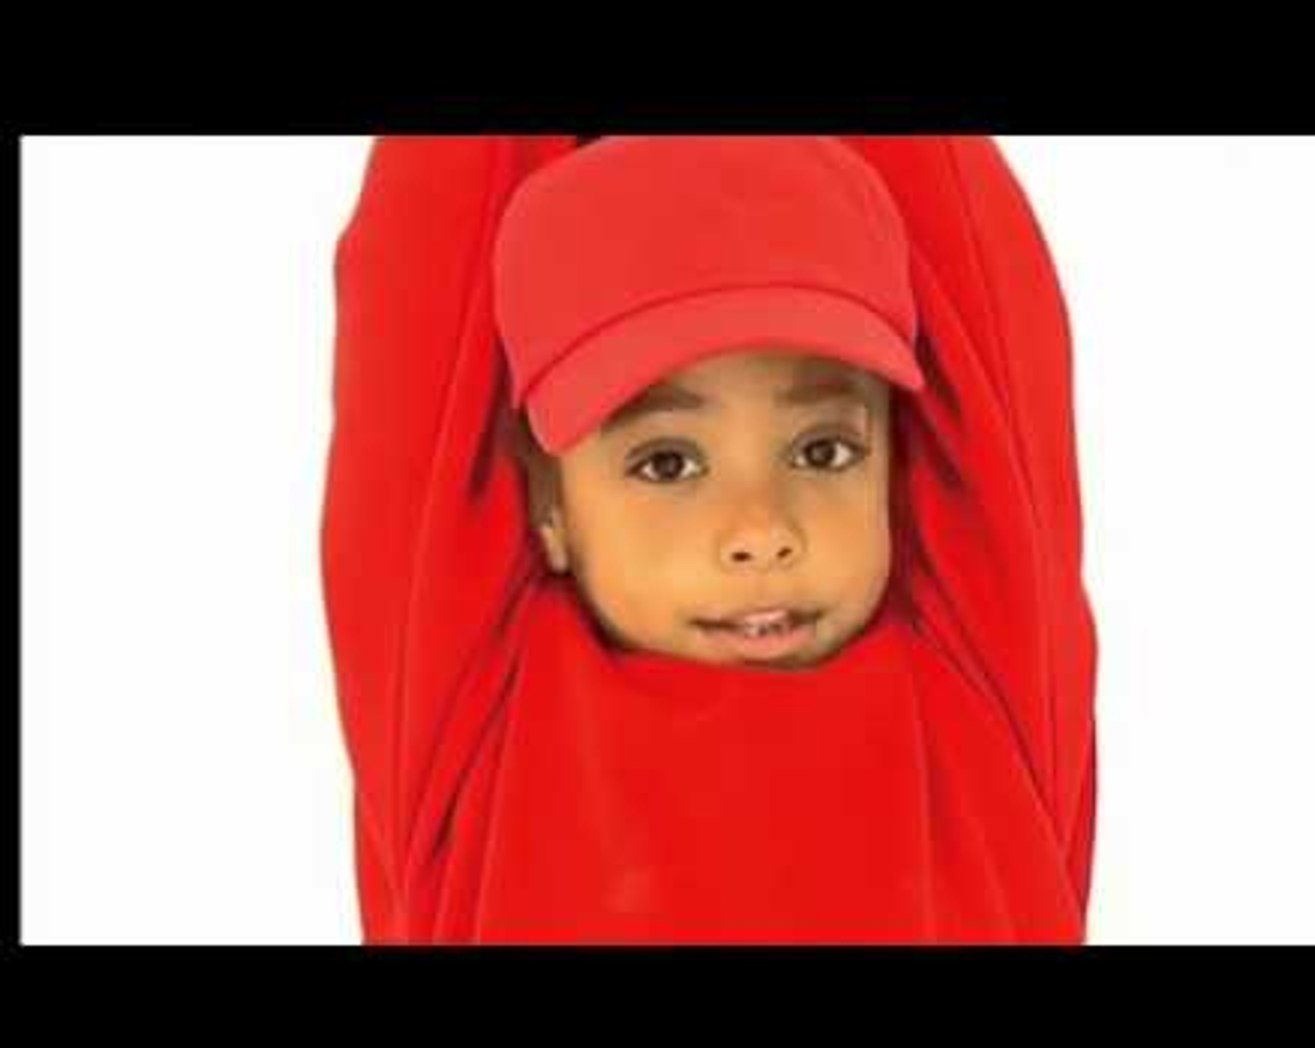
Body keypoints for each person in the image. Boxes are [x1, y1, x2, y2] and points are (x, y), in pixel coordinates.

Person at [321, 135, 1099, 944]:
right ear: (548, 501)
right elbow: (423, 272)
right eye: (667, 464)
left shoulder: (981, 701)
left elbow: (974, 260)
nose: (761, 531)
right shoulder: (475, 735)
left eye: (823, 451)